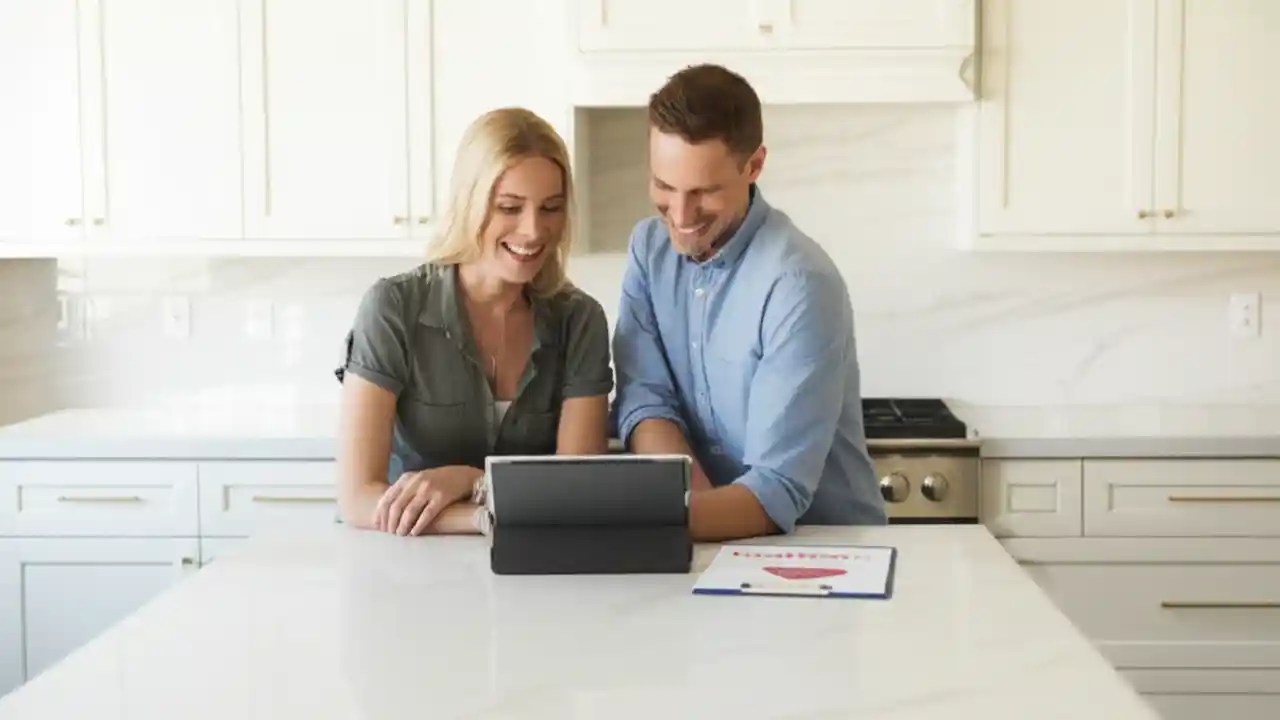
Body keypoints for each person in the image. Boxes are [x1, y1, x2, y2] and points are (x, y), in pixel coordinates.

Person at [611, 64, 886, 541]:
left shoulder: (799, 283)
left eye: (704, 192)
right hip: (708, 539)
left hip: (826, 551)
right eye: (664, 186)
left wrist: (624, 525)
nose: (680, 216)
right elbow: (645, 398)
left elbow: (774, 490)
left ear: (754, 165)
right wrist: (689, 503)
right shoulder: (649, 250)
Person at [336, 108, 613, 536]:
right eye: (509, 207)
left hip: (533, 567)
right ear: (470, 202)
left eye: (551, 208)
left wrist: (473, 480)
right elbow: (358, 497)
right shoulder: (393, 308)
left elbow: (573, 488)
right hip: (407, 565)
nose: (533, 230)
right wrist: (482, 516)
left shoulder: (580, 321)